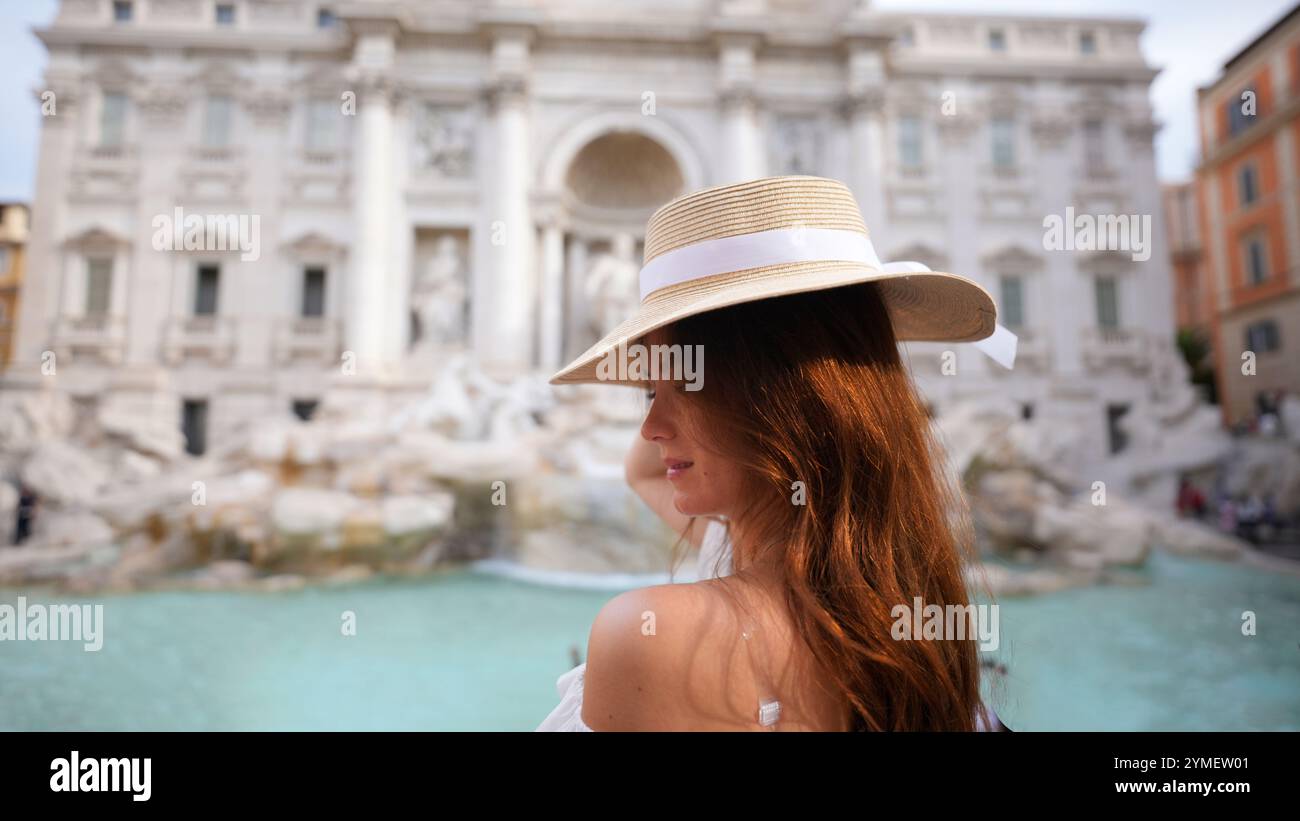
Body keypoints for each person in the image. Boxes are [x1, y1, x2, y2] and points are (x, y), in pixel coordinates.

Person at [536, 175, 1016, 731]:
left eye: (687, 383)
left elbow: (642, 468)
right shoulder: (910, 603)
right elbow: (648, 466)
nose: (650, 427)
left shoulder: (646, 633)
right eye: (649, 391)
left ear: (781, 396)